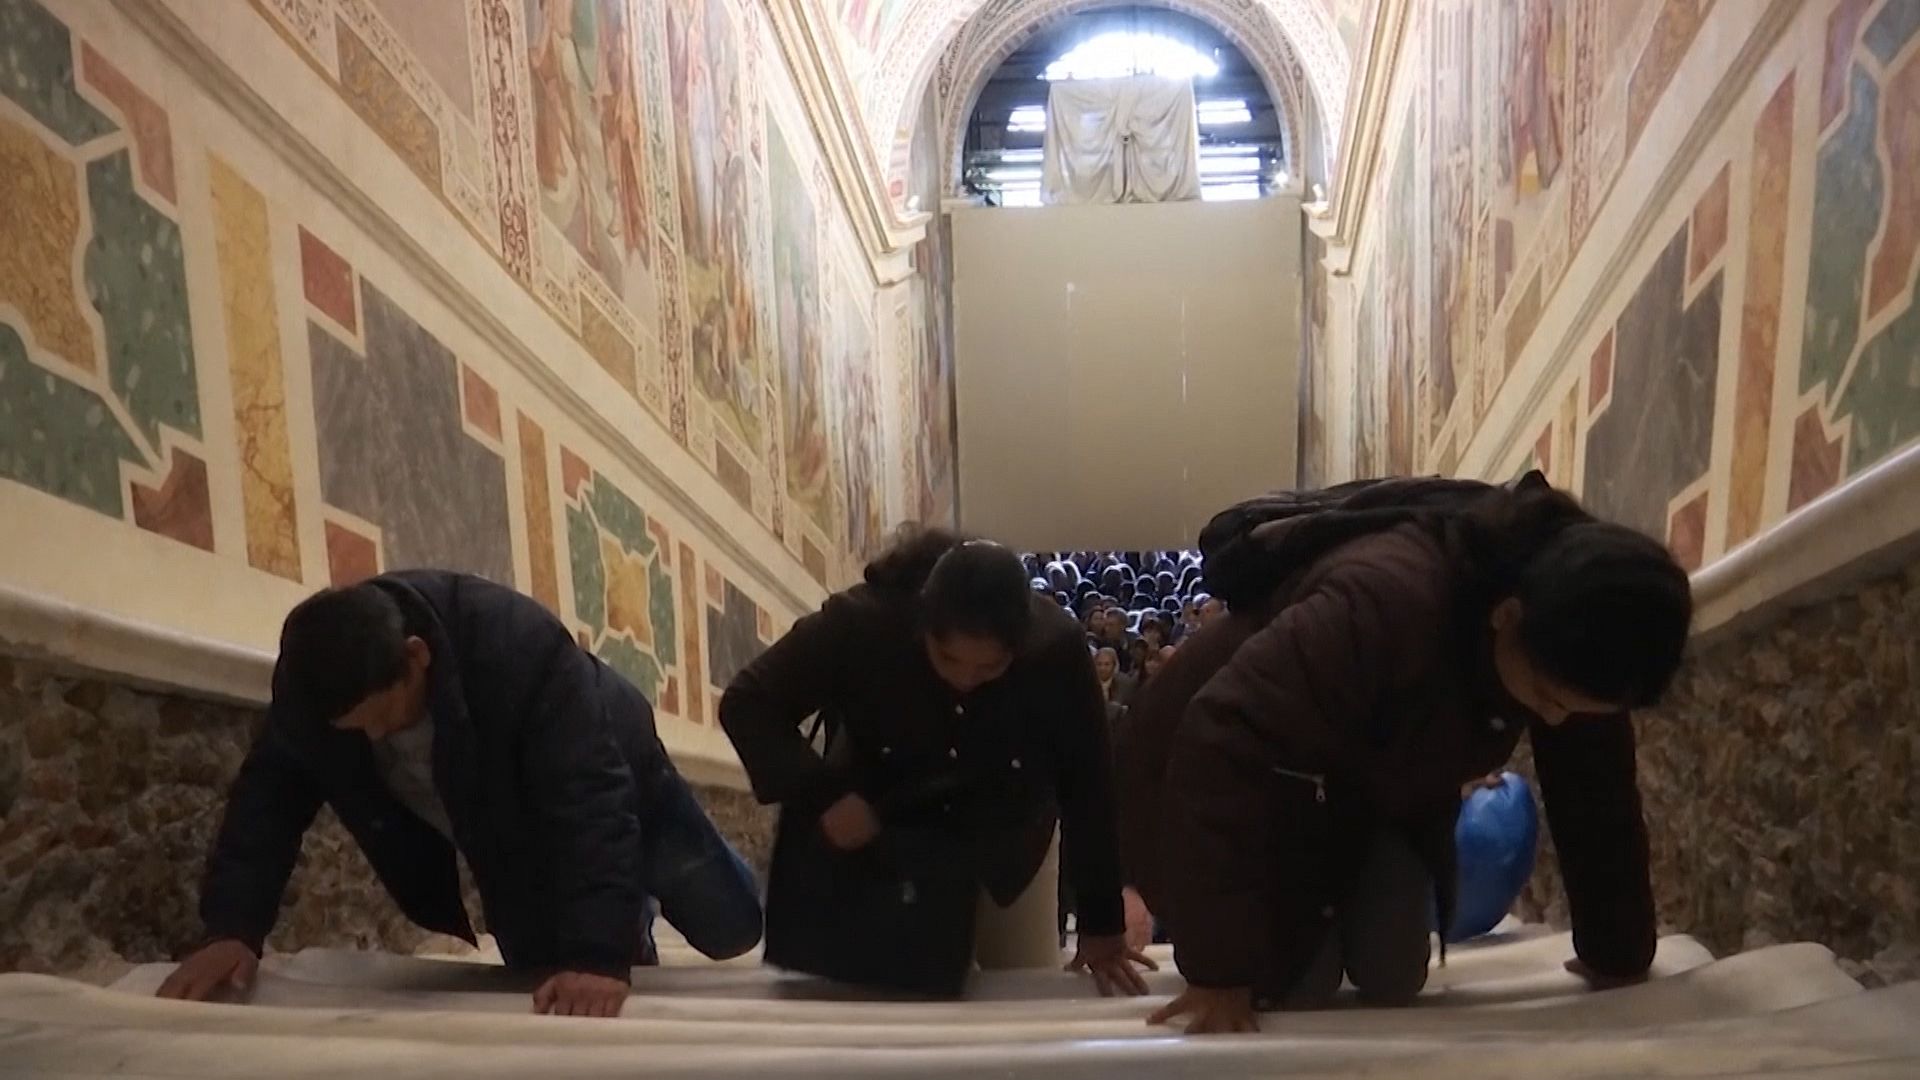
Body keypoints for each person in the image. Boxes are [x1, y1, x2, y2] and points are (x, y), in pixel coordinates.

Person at [1122, 474, 1690, 1033]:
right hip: (1228, 768)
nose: (1555, 719)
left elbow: (1597, 793)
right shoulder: (1386, 600)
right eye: (1545, 699)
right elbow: (1221, 731)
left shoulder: (1588, 624)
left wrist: (1618, 953)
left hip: (1368, 783)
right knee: (1293, 988)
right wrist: (1218, 969)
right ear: (1506, 618)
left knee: (1392, 975)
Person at [159, 571, 763, 1017]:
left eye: (383, 717)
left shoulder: (517, 647)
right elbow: (268, 799)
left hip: (624, 781)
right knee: (548, 980)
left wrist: (597, 955)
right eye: (356, 728)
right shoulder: (313, 687)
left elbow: (589, 799)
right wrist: (232, 927)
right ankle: (623, 909)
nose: (372, 738)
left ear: (416, 658)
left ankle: (656, 883)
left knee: (731, 925)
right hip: (504, 827)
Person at [719, 528, 1155, 997]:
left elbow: (1087, 783)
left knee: (1018, 996)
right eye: (947, 659)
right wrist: (821, 795)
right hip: (882, 841)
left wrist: (1102, 923)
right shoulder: (862, 623)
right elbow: (748, 702)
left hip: (1005, 839)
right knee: (879, 1007)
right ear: (922, 625)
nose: (966, 680)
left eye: (989, 669)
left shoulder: (1056, 648)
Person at [1093, 646, 1136, 716]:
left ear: (1114, 666)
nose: (1102, 668)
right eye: (1099, 664)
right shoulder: (1089, 683)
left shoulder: (1125, 683)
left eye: (1107, 664)